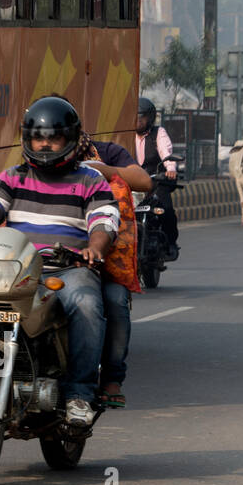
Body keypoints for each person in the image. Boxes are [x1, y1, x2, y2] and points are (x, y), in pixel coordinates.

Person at [0, 96, 118, 426]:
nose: (46, 144)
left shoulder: (90, 181)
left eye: (54, 137)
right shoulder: (13, 177)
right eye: (39, 137)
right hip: (18, 271)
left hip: (68, 269)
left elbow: (105, 220)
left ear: (71, 140)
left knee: (87, 305)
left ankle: (79, 394)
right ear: (27, 139)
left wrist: (95, 247)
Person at [78, 132, 149, 410]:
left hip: (100, 254)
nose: (49, 143)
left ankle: (111, 379)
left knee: (115, 301)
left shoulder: (105, 156)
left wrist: (103, 171)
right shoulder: (32, 168)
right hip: (55, 257)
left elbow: (144, 181)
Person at [134, 97, 179, 260]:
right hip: (131, 181)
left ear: (149, 118)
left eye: (141, 117)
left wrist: (170, 169)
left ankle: (171, 242)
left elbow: (166, 152)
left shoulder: (158, 133)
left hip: (156, 180)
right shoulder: (126, 134)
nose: (137, 121)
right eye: (134, 117)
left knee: (165, 208)